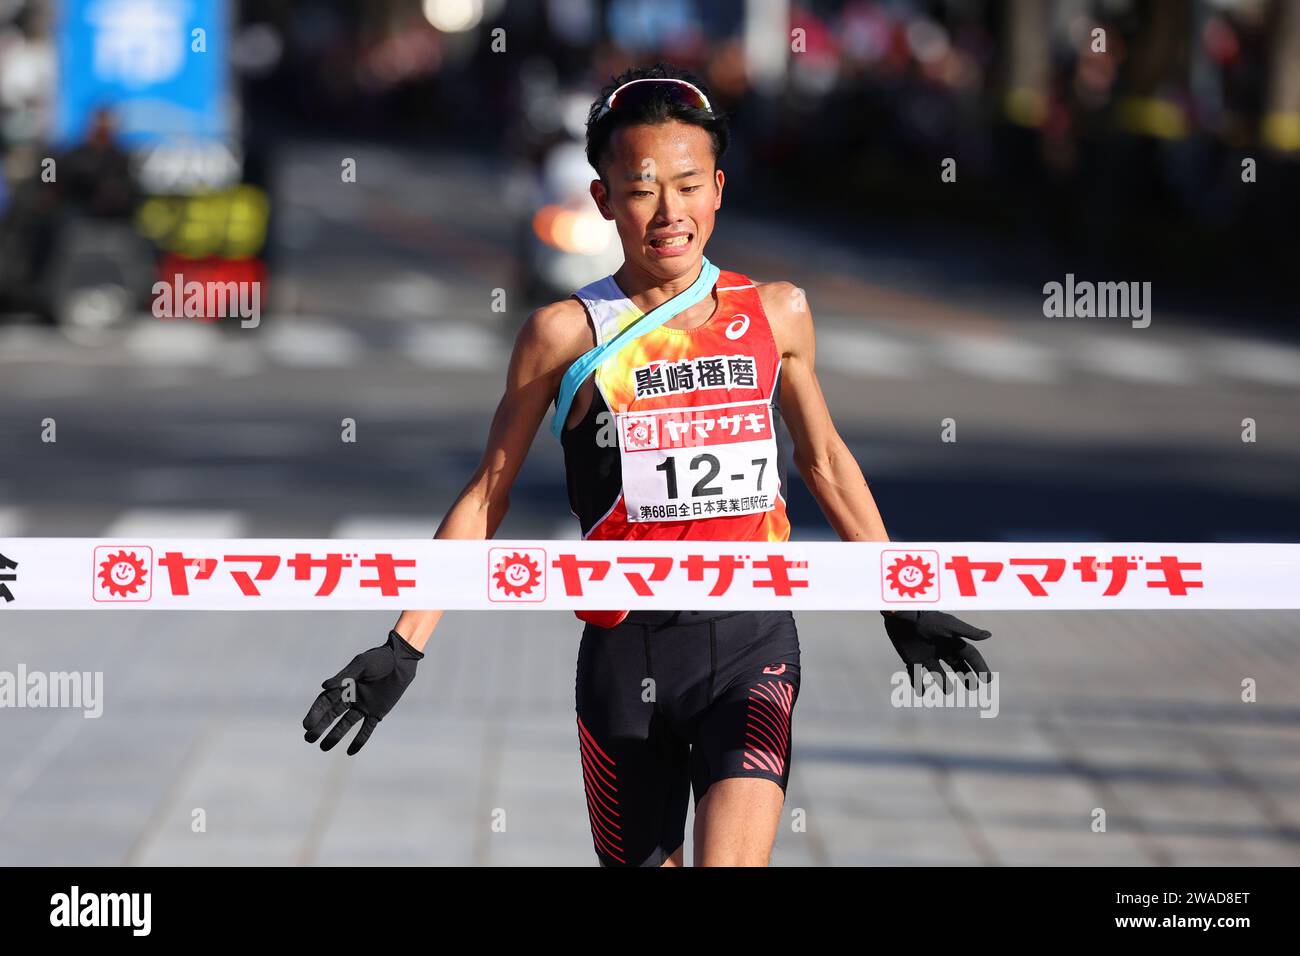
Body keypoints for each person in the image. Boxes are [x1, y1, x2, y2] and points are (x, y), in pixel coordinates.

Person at [303, 63, 993, 867]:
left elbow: (826, 461)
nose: (669, 212)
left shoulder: (776, 313)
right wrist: (403, 646)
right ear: (602, 201)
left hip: (751, 642)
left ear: (720, 190)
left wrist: (899, 599)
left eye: (689, 184)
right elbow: (487, 494)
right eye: (640, 188)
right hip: (624, 654)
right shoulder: (564, 334)